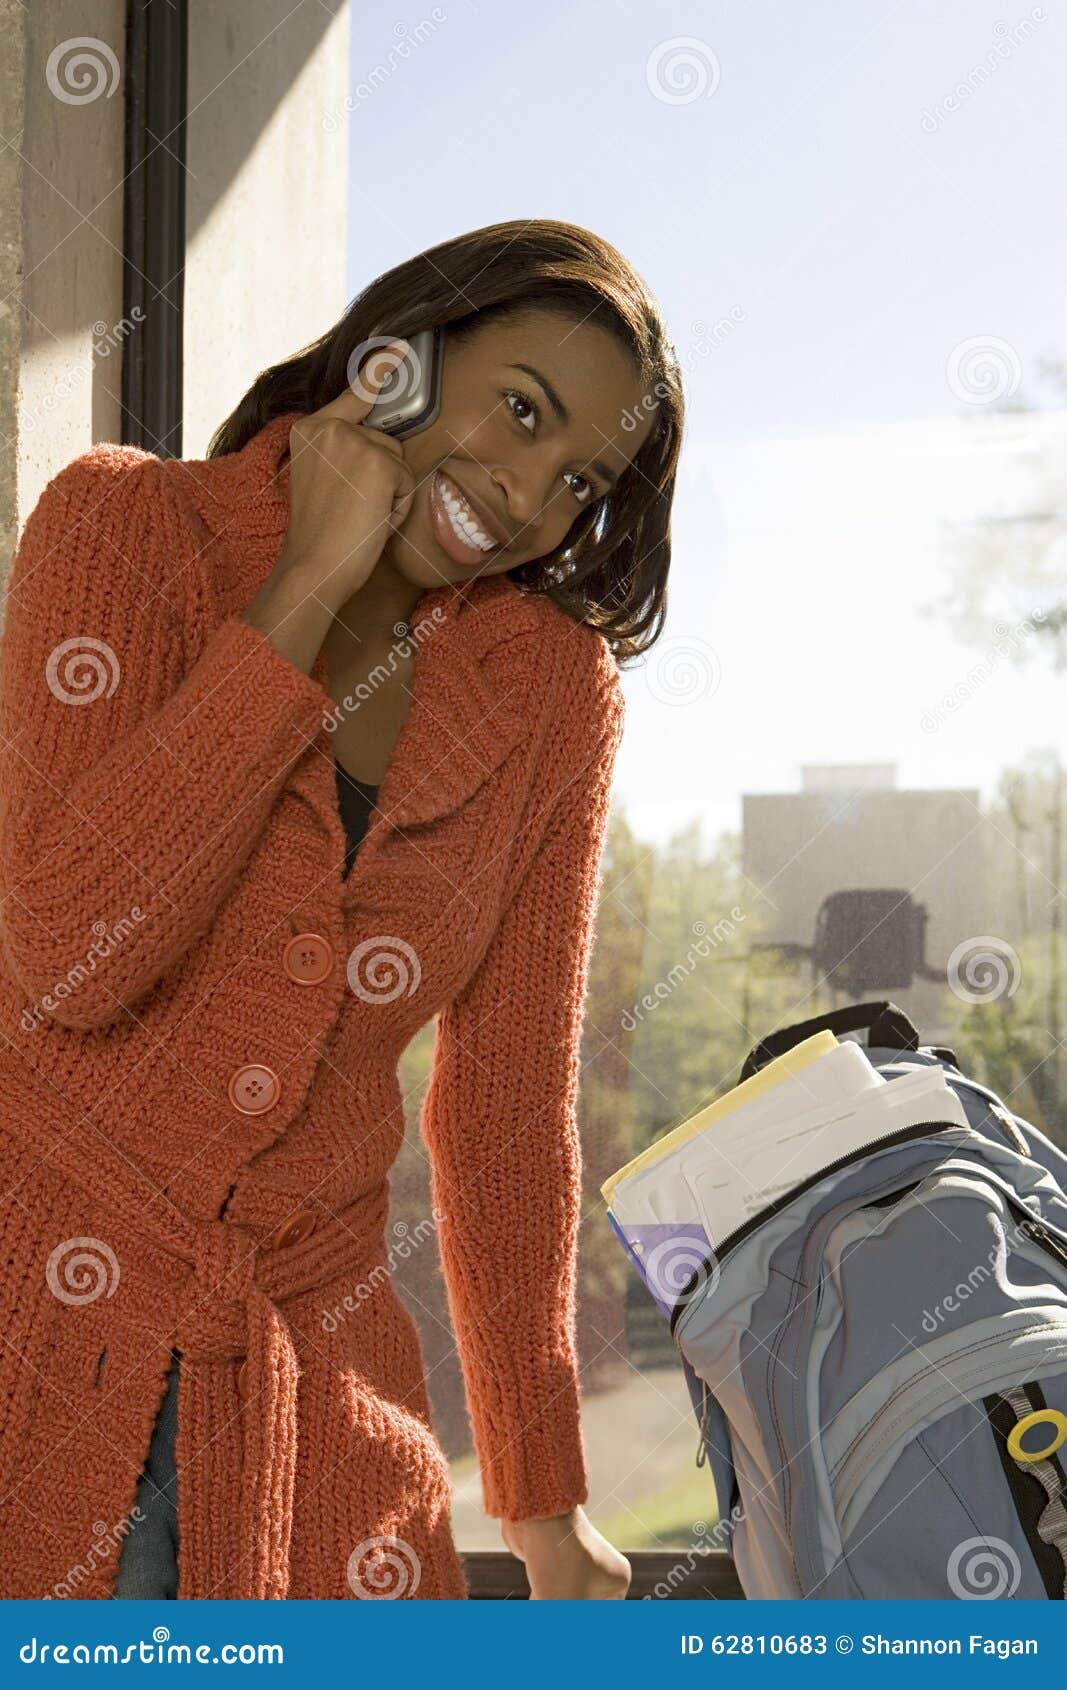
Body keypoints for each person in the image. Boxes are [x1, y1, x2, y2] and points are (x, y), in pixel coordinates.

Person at [0, 219, 683, 1600]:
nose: (527, 494)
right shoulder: (126, 527)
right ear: (400, 359)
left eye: (580, 480)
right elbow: (69, 954)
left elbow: (506, 1105)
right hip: (42, 1337)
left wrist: (544, 1496)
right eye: (521, 409)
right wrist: (305, 583)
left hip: (321, 1401)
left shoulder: (553, 694)